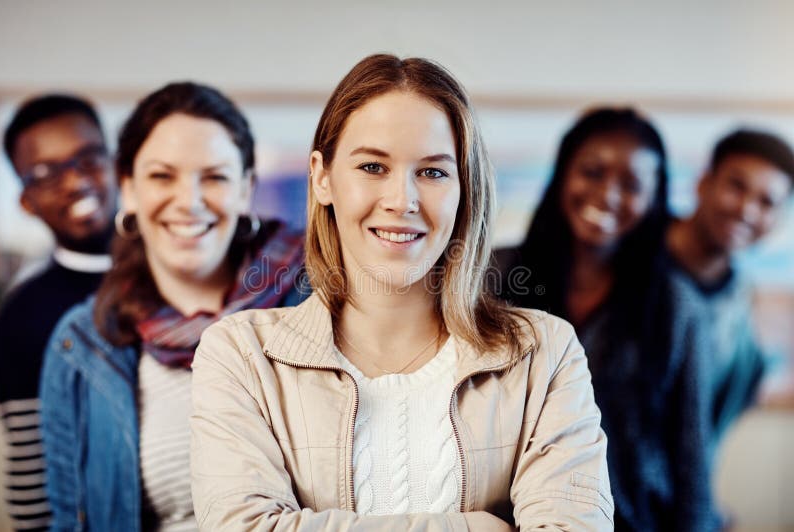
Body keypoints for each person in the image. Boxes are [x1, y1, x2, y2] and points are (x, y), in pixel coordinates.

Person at [190, 54, 613, 531]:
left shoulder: (545, 354)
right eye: (373, 167)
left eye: (432, 172)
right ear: (322, 177)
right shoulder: (242, 357)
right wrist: (483, 526)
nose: (402, 201)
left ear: (464, 188)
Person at [38, 82, 307, 531]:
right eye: (163, 176)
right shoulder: (79, 343)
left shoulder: (319, 301)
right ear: (128, 188)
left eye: (216, 177)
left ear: (246, 190)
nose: (189, 201)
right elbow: (71, 521)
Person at [495, 108, 719, 531]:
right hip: (513, 519)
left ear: (655, 199)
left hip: (638, 520)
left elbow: (692, 455)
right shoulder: (496, 276)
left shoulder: (677, 306)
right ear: (563, 174)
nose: (608, 194)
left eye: (632, 185)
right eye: (592, 172)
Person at [0, 94, 117, 532]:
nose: (74, 182)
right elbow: (33, 486)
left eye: (87, 158)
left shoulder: (181, 272)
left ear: (115, 162)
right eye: (47, 173)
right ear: (26, 199)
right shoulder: (22, 317)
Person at [665, 129, 794, 455]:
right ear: (704, 182)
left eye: (767, 202)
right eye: (736, 186)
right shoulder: (629, 259)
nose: (747, 210)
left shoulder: (739, 297)